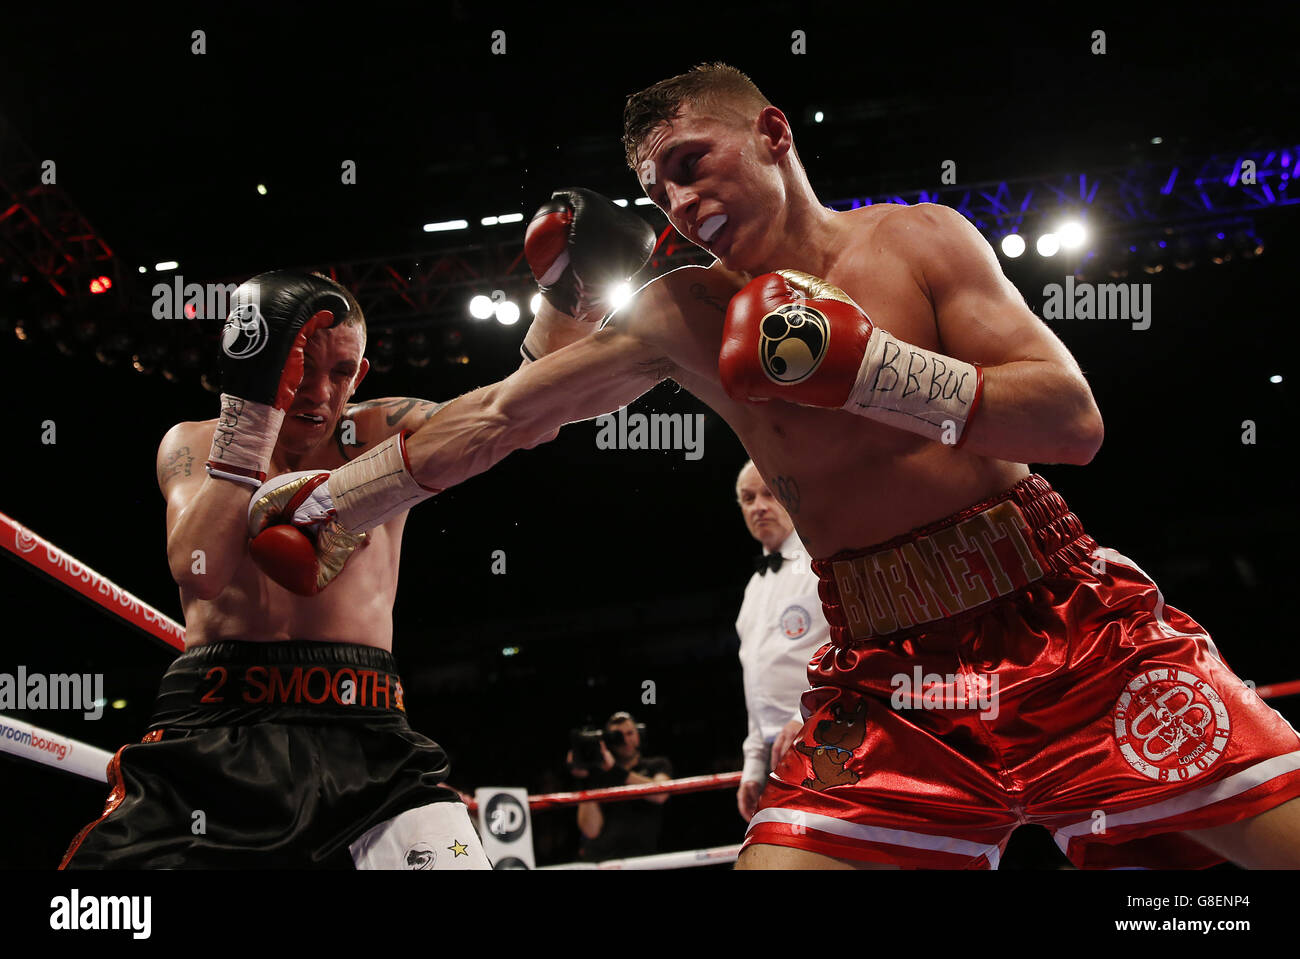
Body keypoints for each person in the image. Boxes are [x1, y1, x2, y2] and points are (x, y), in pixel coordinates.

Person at [387, 62, 1300, 869]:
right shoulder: (686, 313)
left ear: (773, 132)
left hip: (1063, 624)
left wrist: (868, 372)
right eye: (657, 191)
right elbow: (515, 411)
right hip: (884, 670)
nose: (677, 202)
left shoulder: (918, 240)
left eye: (691, 162)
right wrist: (330, 495)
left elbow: (1072, 422)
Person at [59, 270, 501, 869]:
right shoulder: (194, 442)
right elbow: (201, 570)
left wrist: (564, 302)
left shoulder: (385, 429)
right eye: (300, 367)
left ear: (361, 375)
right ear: (253, 365)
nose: (317, 391)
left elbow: (510, 414)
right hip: (215, 730)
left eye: (341, 372)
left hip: (368, 739)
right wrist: (253, 415)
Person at [732, 460, 829, 823]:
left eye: (768, 494)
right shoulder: (753, 590)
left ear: (790, 496)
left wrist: (800, 717)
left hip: (824, 735)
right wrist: (753, 764)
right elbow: (754, 684)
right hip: (777, 752)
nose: (758, 506)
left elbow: (844, 648)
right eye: (748, 498)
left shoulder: (821, 562)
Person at [567, 712, 673, 861]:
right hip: (602, 860)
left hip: (642, 860)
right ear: (609, 740)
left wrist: (614, 770)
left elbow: (660, 795)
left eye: (630, 733)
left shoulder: (657, 765)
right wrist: (586, 777)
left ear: (639, 734)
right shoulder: (598, 775)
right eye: (618, 735)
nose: (625, 740)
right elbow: (590, 830)